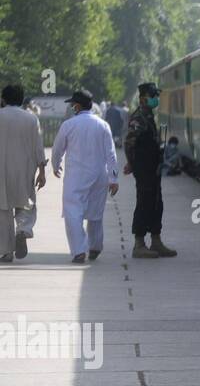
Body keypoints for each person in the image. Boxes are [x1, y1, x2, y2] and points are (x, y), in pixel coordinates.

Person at [50, 90, 118, 264]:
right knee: (95, 213)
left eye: (73, 104)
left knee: (73, 212)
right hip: (99, 176)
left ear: (78, 106)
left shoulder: (69, 125)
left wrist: (55, 165)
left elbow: (57, 149)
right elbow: (111, 154)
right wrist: (114, 178)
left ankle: (79, 250)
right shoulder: (103, 125)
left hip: (76, 177)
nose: (72, 107)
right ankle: (95, 247)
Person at [123, 81, 176, 259]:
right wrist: (131, 163)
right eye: (153, 96)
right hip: (143, 168)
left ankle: (156, 240)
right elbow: (129, 142)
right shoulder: (138, 118)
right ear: (144, 98)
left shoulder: (149, 117)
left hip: (153, 168)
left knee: (156, 203)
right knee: (144, 203)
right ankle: (139, 243)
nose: (155, 99)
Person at [0, 84, 46, 263]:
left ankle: (6, 251)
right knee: (26, 204)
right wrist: (42, 172)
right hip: (25, 169)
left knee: (2, 209)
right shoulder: (31, 118)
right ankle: (23, 229)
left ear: (3, 99)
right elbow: (38, 147)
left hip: (2, 171)